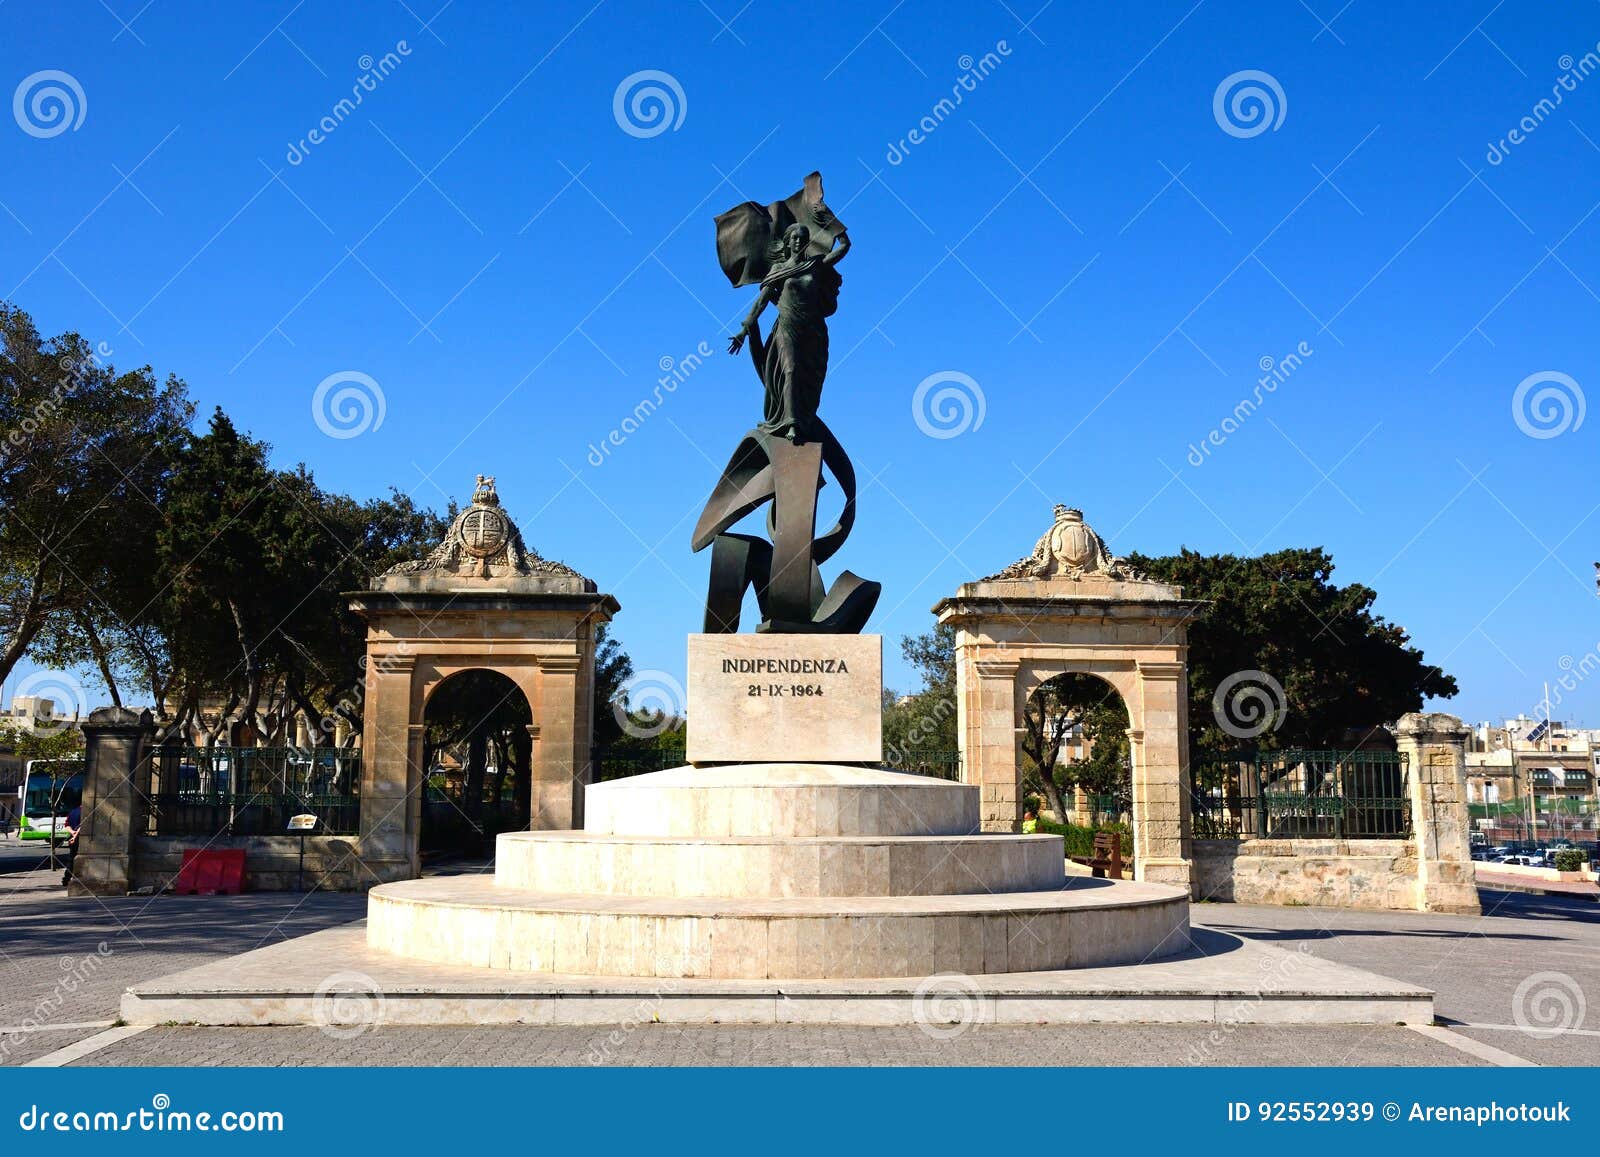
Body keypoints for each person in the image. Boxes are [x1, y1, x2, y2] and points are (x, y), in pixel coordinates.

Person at [61, 804, 81, 887]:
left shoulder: (73, 811)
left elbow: (66, 824)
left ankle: (66, 878)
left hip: (72, 838)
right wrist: (75, 836)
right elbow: (83, 826)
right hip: (79, 839)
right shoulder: (86, 811)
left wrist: (72, 833)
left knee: (71, 858)